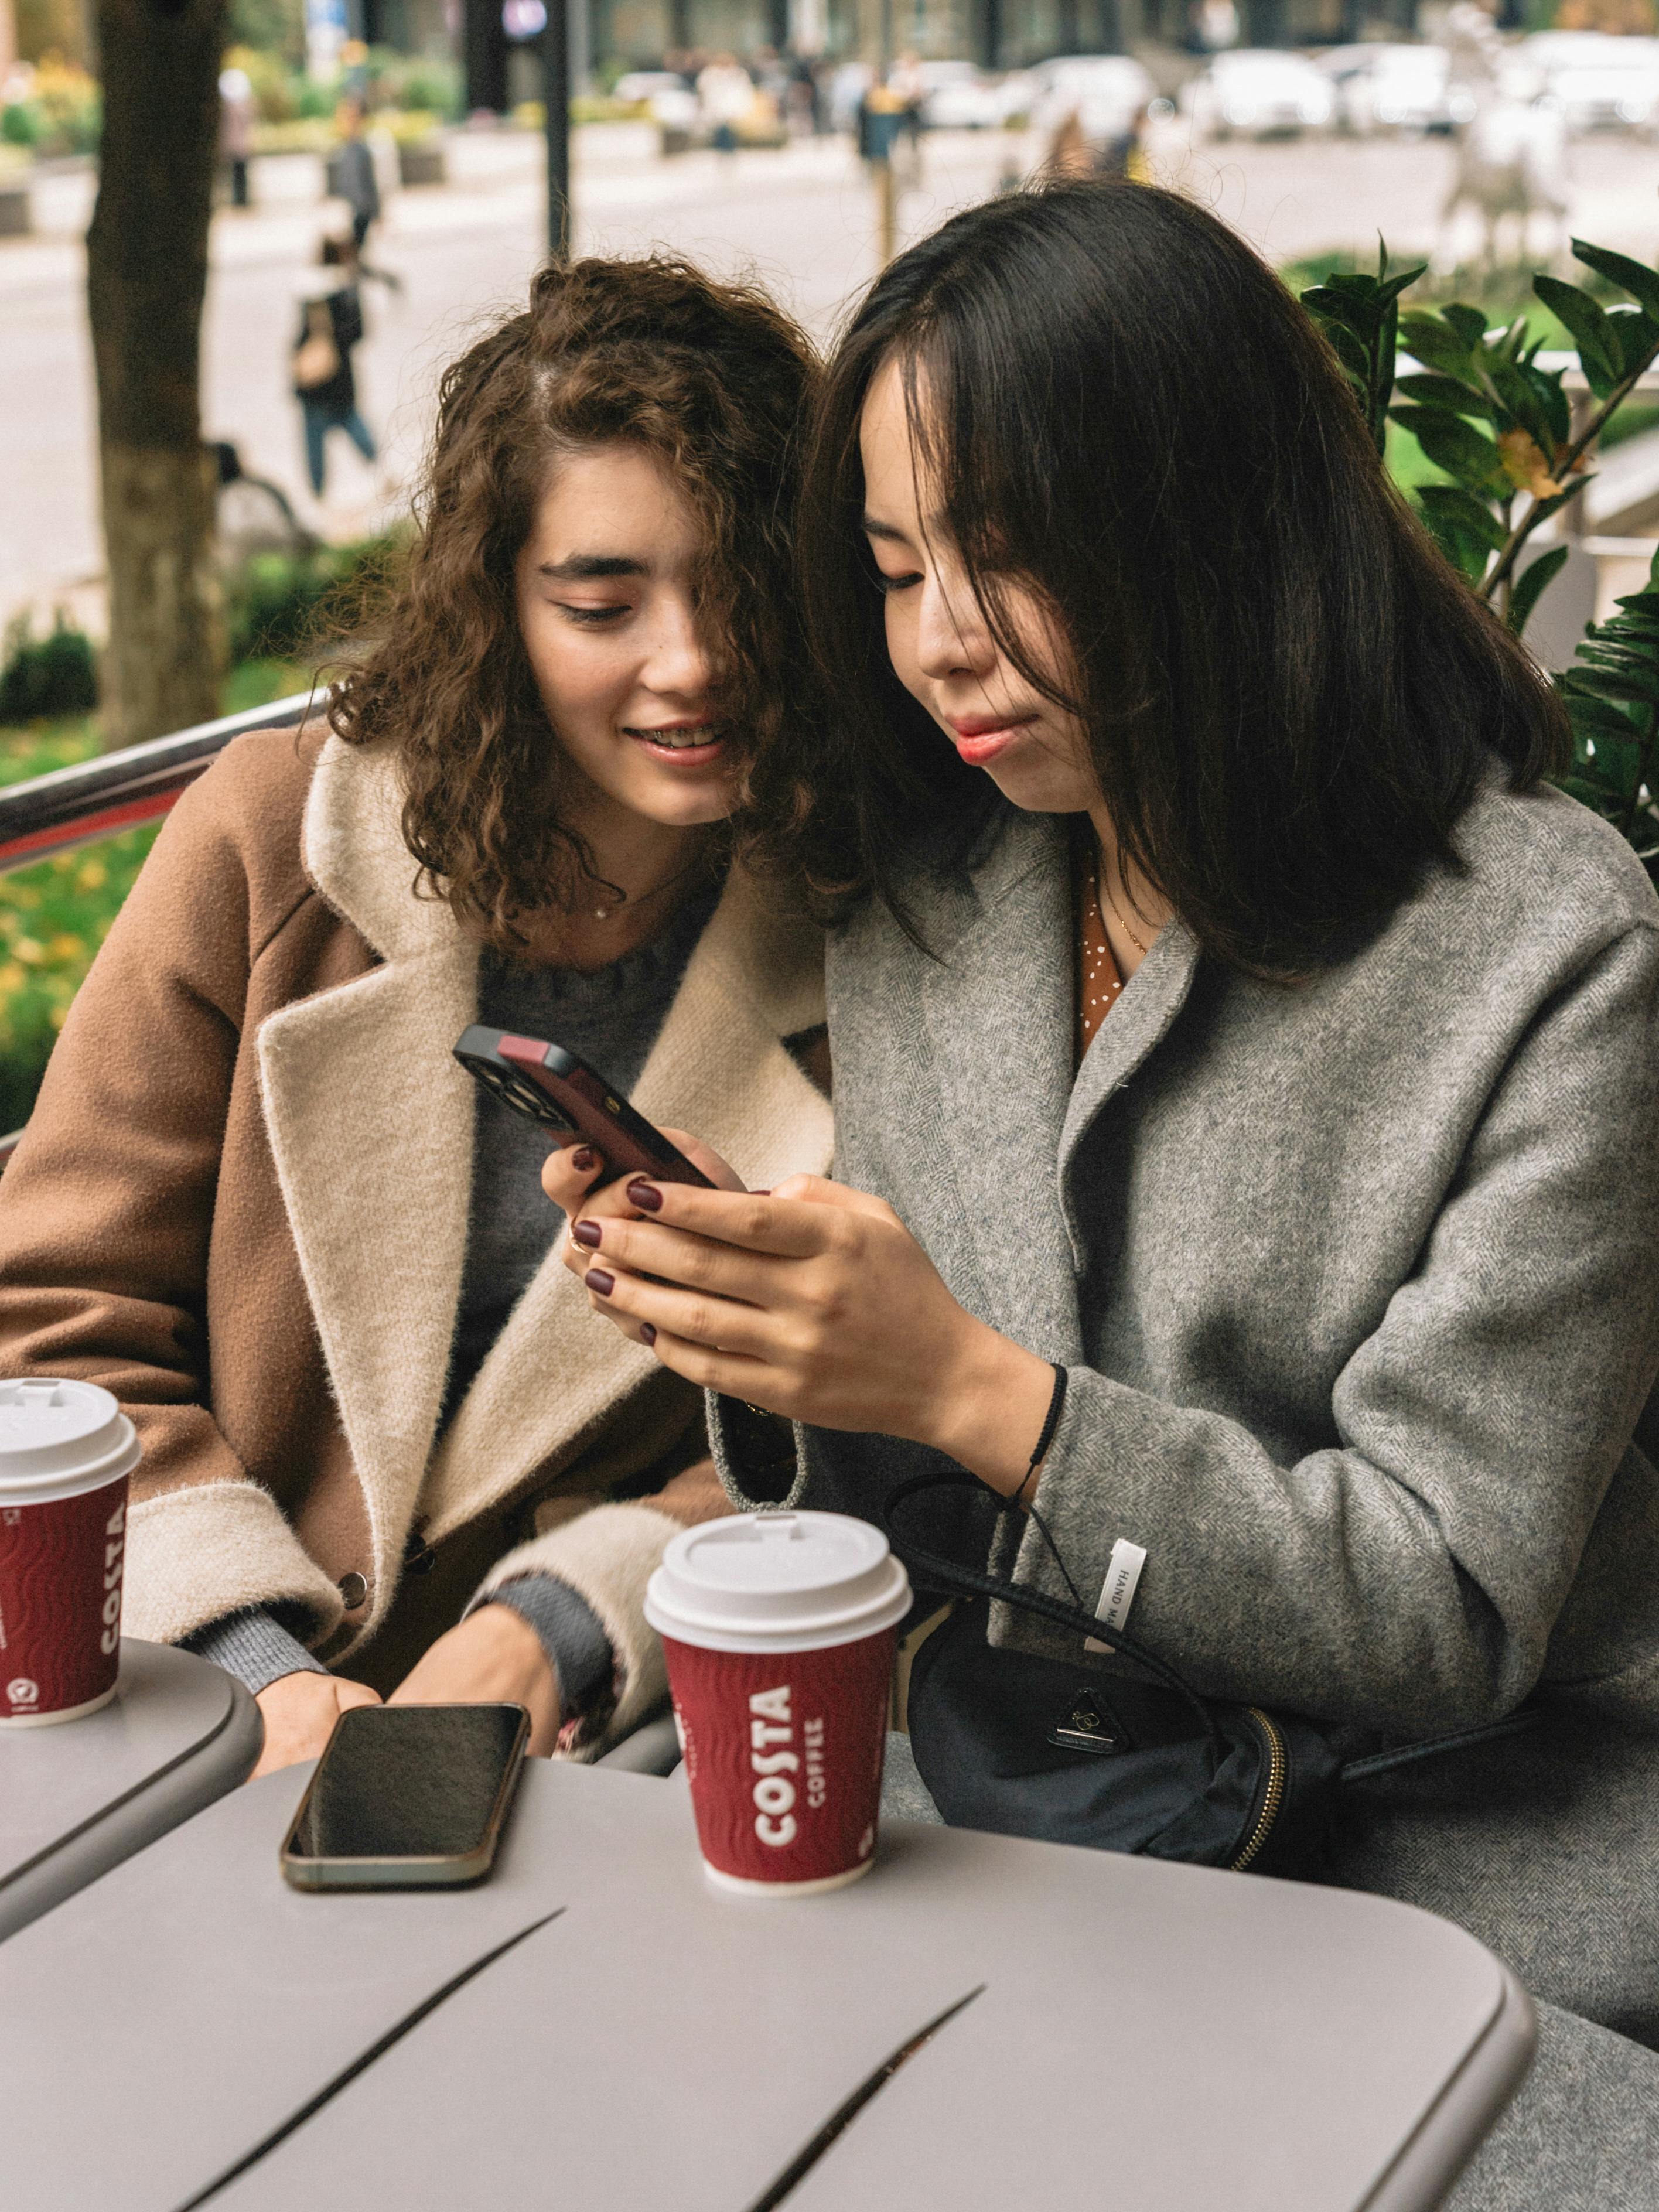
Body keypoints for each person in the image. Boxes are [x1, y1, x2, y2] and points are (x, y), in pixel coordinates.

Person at [548, 185, 1659, 2204]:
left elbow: (1448, 1610)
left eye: (1009, 552)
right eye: (894, 569)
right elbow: (938, 1471)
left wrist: (980, 1392)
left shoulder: (1547, 950)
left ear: (1217, 526)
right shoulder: (942, 887)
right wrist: (774, 1322)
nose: (938, 638)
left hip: (1432, 1865)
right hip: (1005, 1800)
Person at [0, 256, 830, 1782]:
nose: (696, 658)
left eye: (742, 584)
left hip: (613, 1748)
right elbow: (46, 1320)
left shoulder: (871, 929)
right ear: (493, 604)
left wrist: (561, 1624)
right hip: (179, 1700)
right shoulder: (274, 844)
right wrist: (258, 1670)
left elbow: (858, 1425)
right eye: (603, 599)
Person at [292, 235, 377, 503]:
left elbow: (300, 335)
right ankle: (377, 467)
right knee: (351, 421)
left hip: (312, 381)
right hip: (338, 375)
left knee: (314, 441)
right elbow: (358, 333)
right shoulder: (345, 289)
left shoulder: (307, 288)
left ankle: (318, 497)